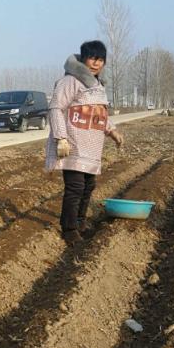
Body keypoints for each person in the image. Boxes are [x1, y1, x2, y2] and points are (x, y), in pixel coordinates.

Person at [45, 40, 124, 244]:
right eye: (92, 58)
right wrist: (60, 138)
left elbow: (100, 113)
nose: (96, 64)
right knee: (75, 187)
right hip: (72, 144)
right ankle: (69, 228)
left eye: (100, 60)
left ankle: (80, 222)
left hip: (92, 146)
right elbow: (55, 108)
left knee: (88, 186)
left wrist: (112, 130)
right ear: (83, 58)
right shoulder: (70, 81)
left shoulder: (98, 86)